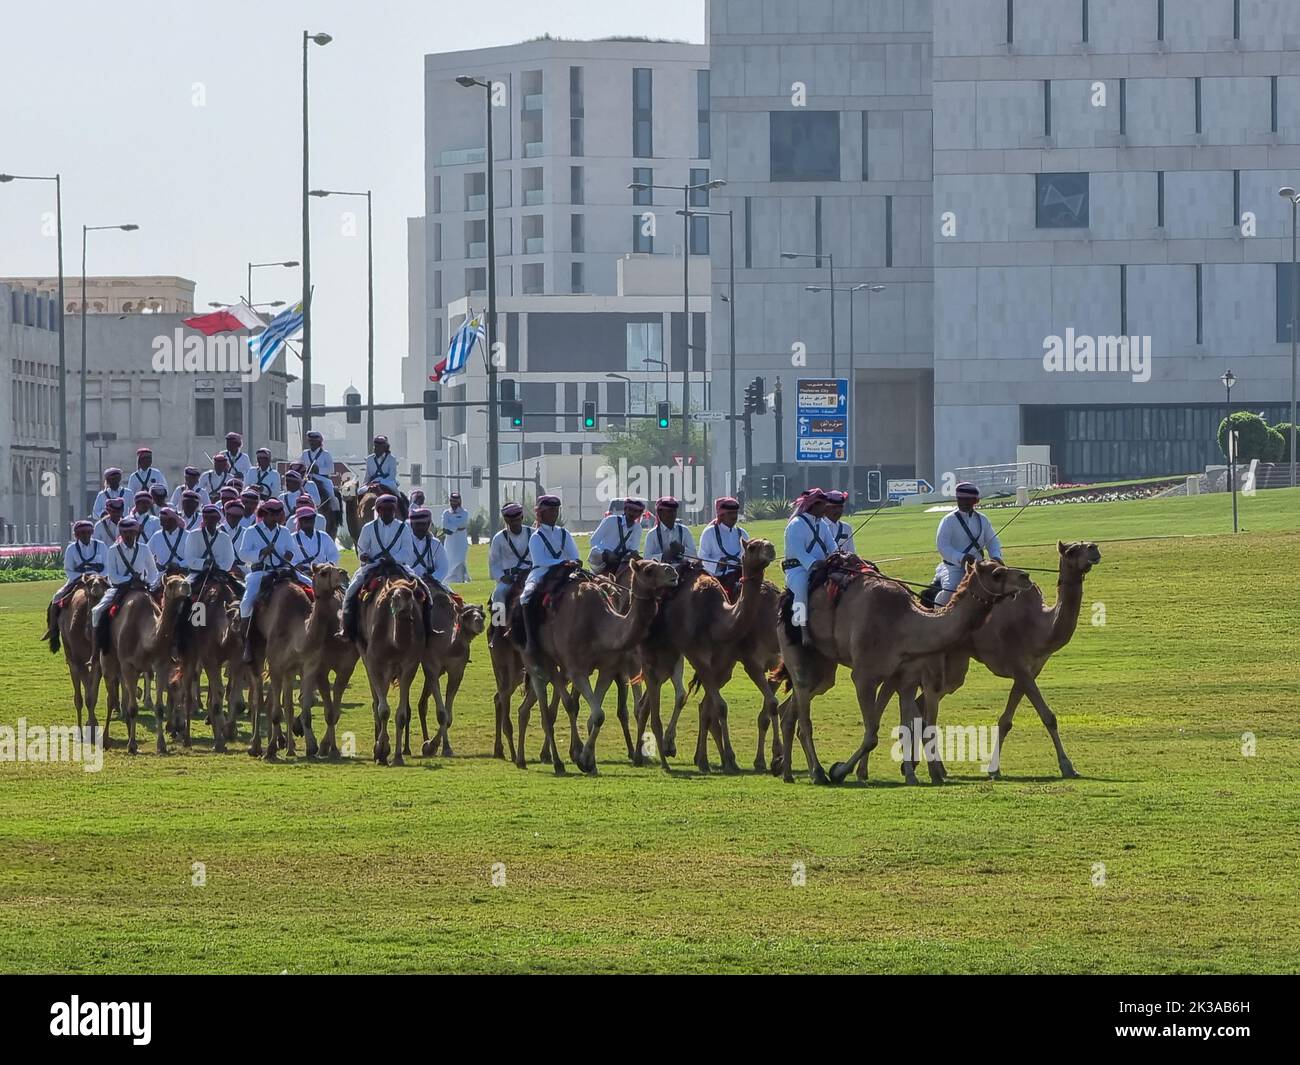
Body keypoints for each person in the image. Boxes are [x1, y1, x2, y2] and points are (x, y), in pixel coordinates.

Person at [338, 494, 415, 640]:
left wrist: (393, 559)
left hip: (397, 567)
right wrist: (364, 556)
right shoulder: (368, 528)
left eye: (390, 509)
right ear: (378, 510)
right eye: (383, 509)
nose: (387, 512)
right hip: (373, 566)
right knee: (351, 592)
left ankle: (427, 630)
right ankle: (347, 628)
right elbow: (362, 549)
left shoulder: (403, 528)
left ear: (394, 510)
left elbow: (407, 551)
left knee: (423, 590)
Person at [235, 498, 299, 659]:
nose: (276, 517)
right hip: (260, 573)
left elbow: (291, 550)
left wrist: (288, 555)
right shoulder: (251, 531)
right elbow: (243, 555)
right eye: (273, 514)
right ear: (264, 514)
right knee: (246, 603)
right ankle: (247, 643)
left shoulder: (283, 532)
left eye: (279, 514)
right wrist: (261, 552)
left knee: (309, 585)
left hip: (281, 570)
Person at [520, 495, 579, 655]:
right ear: (541, 514)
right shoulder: (536, 536)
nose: (554, 513)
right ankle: (531, 641)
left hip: (567, 571)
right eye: (550, 510)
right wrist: (561, 562)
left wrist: (573, 562)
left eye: (556, 510)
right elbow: (541, 560)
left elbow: (575, 555)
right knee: (526, 596)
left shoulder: (564, 533)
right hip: (542, 571)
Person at [933, 481, 1003, 606]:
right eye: (960, 499)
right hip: (953, 567)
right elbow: (942, 546)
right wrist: (961, 558)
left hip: (979, 567)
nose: (962, 503)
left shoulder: (983, 520)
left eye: (967, 500)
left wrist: (996, 557)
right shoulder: (948, 520)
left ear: (975, 501)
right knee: (951, 590)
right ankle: (936, 613)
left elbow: (992, 541)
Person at [91, 516, 161, 637]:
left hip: (142, 587)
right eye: (125, 532)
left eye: (131, 532)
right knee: (97, 611)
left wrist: (145, 581)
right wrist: (129, 580)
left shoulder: (144, 549)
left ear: (135, 533)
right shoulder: (113, 550)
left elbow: (153, 571)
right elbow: (112, 576)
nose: (128, 535)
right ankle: (97, 650)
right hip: (120, 589)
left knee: (163, 609)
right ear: (121, 533)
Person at [782, 488, 832, 643]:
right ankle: (802, 630)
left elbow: (832, 545)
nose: (826, 508)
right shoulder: (796, 524)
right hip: (798, 569)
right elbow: (798, 552)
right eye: (823, 505)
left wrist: (838, 557)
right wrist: (813, 564)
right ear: (814, 505)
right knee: (802, 589)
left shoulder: (823, 524)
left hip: (823, 566)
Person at [47, 520, 109, 638]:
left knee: (117, 596)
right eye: (82, 533)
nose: (85, 535)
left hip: (99, 580)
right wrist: (82, 578)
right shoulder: (71, 549)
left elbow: (107, 566)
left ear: (92, 533)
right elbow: (68, 569)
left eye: (88, 532)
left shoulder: (101, 545)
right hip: (79, 580)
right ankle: (53, 628)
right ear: (77, 535)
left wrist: (99, 577)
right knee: (57, 596)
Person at [185, 504, 242, 593]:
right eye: (206, 517)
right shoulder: (193, 535)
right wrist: (205, 563)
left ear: (218, 519)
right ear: (203, 518)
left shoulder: (225, 537)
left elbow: (229, 559)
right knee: (184, 595)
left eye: (213, 518)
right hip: (197, 574)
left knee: (241, 591)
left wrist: (218, 567)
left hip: (220, 574)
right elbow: (189, 558)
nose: (209, 520)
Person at [487, 501, 532, 611]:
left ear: (522, 517)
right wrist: (502, 577)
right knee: (498, 594)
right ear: (506, 520)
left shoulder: (534, 533)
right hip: (509, 579)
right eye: (511, 521)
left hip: (530, 576)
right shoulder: (499, 538)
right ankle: (498, 624)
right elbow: (494, 563)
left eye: (517, 520)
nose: (515, 523)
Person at [586, 497, 645, 574]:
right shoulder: (611, 520)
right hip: (602, 560)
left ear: (640, 514)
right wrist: (606, 552)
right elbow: (593, 541)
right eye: (630, 510)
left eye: (636, 511)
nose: (632, 513)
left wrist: (632, 554)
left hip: (622, 562)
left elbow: (633, 548)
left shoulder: (638, 528)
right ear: (625, 509)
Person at [698, 497, 749, 581]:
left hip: (740, 577)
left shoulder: (743, 533)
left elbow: (748, 556)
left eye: (735, 513)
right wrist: (718, 563)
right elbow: (702, 558)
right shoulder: (709, 533)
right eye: (730, 513)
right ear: (721, 516)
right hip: (716, 579)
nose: (734, 516)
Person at [641, 496, 696, 563]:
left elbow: (695, 556)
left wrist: (682, 549)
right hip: (661, 572)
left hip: (683, 571)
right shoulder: (652, 534)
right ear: (659, 513)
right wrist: (663, 556)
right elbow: (646, 558)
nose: (673, 514)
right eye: (669, 511)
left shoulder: (684, 531)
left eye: (674, 511)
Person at [407, 507, 450, 593]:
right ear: (412, 525)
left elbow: (443, 567)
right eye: (417, 524)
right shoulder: (404, 542)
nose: (421, 527)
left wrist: (432, 578)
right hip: (408, 584)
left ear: (428, 525)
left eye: (424, 524)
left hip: (431, 585)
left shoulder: (436, 544)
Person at [289, 506, 339, 573]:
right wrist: (299, 567)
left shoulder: (324, 536)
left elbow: (334, 554)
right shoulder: (292, 538)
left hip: (323, 572)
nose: (308, 521)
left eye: (311, 518)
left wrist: (328, 565)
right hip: (300, 573)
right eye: (304, 518)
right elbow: (289, 560)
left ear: (314, 519)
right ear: (299, 520)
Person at [299, 430, 337, 517]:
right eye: (310, 441)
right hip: (307, 478)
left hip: (322, 478)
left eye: (314, 441)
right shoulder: (305, 453)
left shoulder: (325, 454)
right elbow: (300, 465)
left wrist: (318, 470)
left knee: (331, 493)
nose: (312, 443)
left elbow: (331, 469)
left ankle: (334, 512)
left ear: (319, 442)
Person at [147, 507, 189, 575]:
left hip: (182, 574)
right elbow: (147, 554)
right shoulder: (157, 535)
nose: (161, 524)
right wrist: (154, 565)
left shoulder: (187, 535)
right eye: (160, 521)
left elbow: (194, 557)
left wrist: (180, 564)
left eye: (163, 521)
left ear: (172, 521)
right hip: (162, 574)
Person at [440, 490, 470, 582]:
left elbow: (463, 524)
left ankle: (460, 579)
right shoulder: (446, 513)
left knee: (460, 560)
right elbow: (444, 526)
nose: (453, 503)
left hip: (461, 541)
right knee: (449, 559)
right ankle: (449, 579)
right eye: (451, 501)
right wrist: (455, 527)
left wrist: (452, 527)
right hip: (450, 542)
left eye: (455, 501)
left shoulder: (464, 512)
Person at [822, 490, 856, 555]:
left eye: (841, 507)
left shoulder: (847, 528)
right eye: (834, 507)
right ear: (825, 508)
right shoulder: (818, 526)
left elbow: (851, 552)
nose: (838, 511)